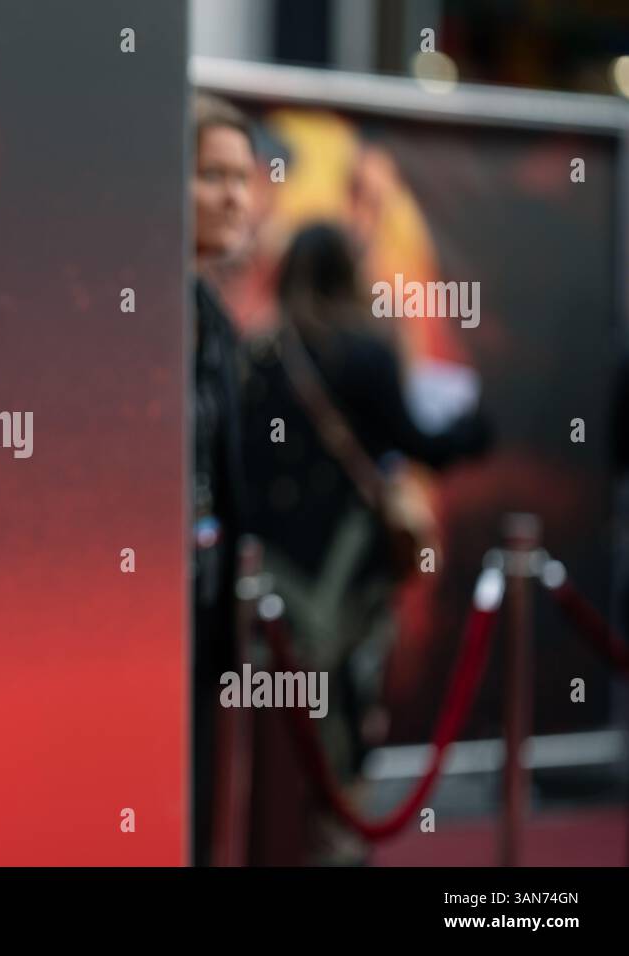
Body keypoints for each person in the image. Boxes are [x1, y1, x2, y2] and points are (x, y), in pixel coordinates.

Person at [239, 221, 493, 864]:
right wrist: (472, 427)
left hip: (275, 573)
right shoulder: (367, 351)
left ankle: (281, 835)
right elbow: (420, 445)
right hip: (349, 573)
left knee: (284, 711)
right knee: (349, 702)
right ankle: (339, 839)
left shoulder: (261, 352)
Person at [189, 93, 254, 866]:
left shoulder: (214, 313)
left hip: (205, 607)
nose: (237, 196)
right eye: (213, 175)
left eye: (243, 176)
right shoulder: (139, 314)